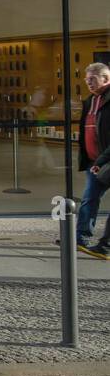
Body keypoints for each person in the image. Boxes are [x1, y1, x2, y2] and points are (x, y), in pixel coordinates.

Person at [74, 63, 110, 256]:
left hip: (105, 161)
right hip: (94, 162)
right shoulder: (90, 101)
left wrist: (101, 161)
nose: (88, 83)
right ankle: (81, 238)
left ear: (105, 78)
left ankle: (106, 245)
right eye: (87, 80)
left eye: (93, 79)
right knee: (89, 198)